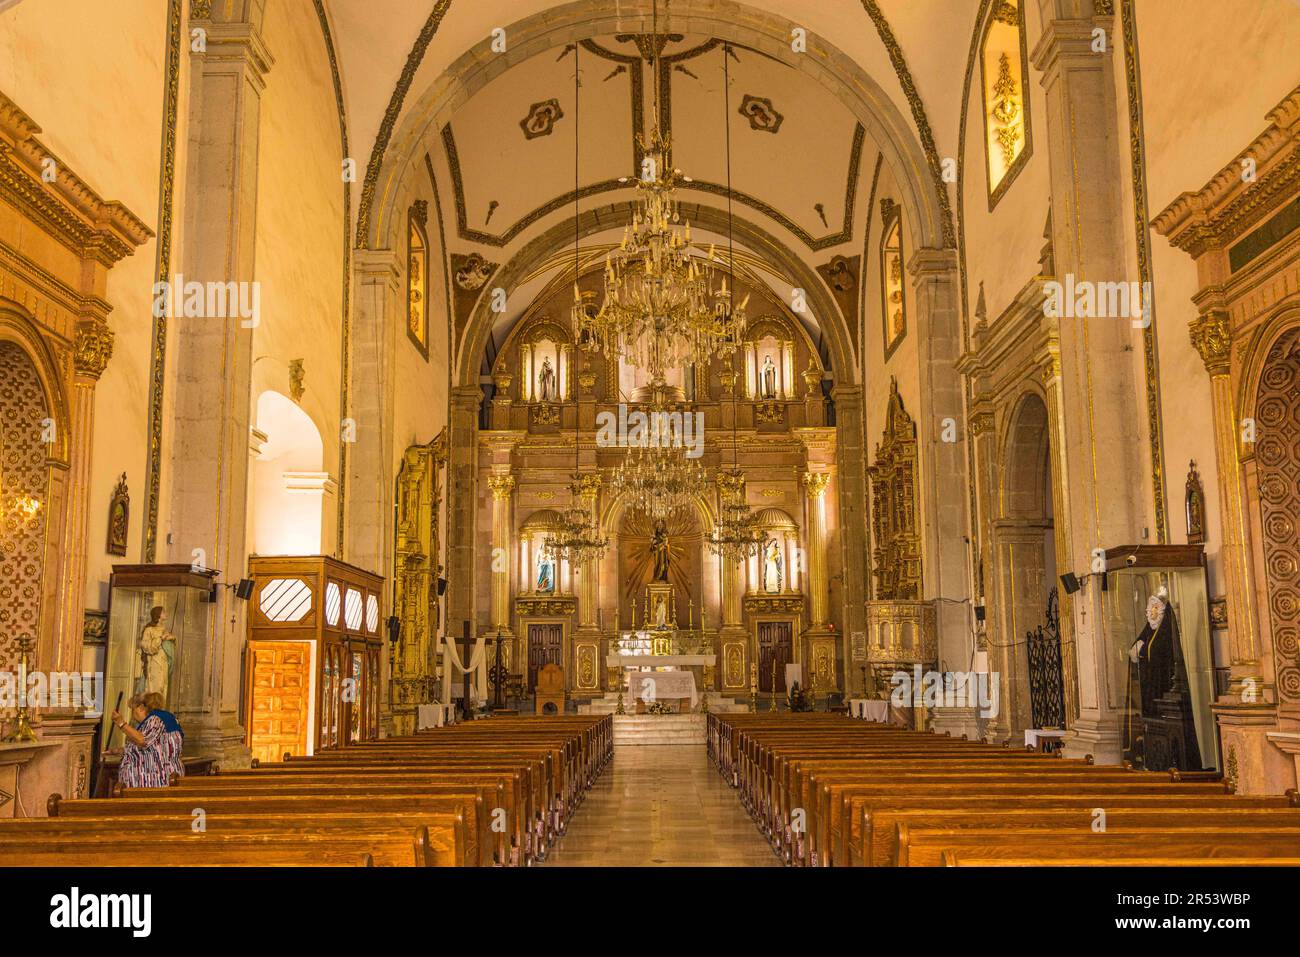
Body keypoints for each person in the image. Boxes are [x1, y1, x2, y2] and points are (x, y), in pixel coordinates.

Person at [112, 692, 185, 788]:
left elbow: (142, 740)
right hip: (155, 779)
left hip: (155, 780)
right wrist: (120, 751)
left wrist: (121, 723)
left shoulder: (156, 719)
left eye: (133, 710)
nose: (133, 716)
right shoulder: (161, 719)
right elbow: (154, 748)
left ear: (141, 708)